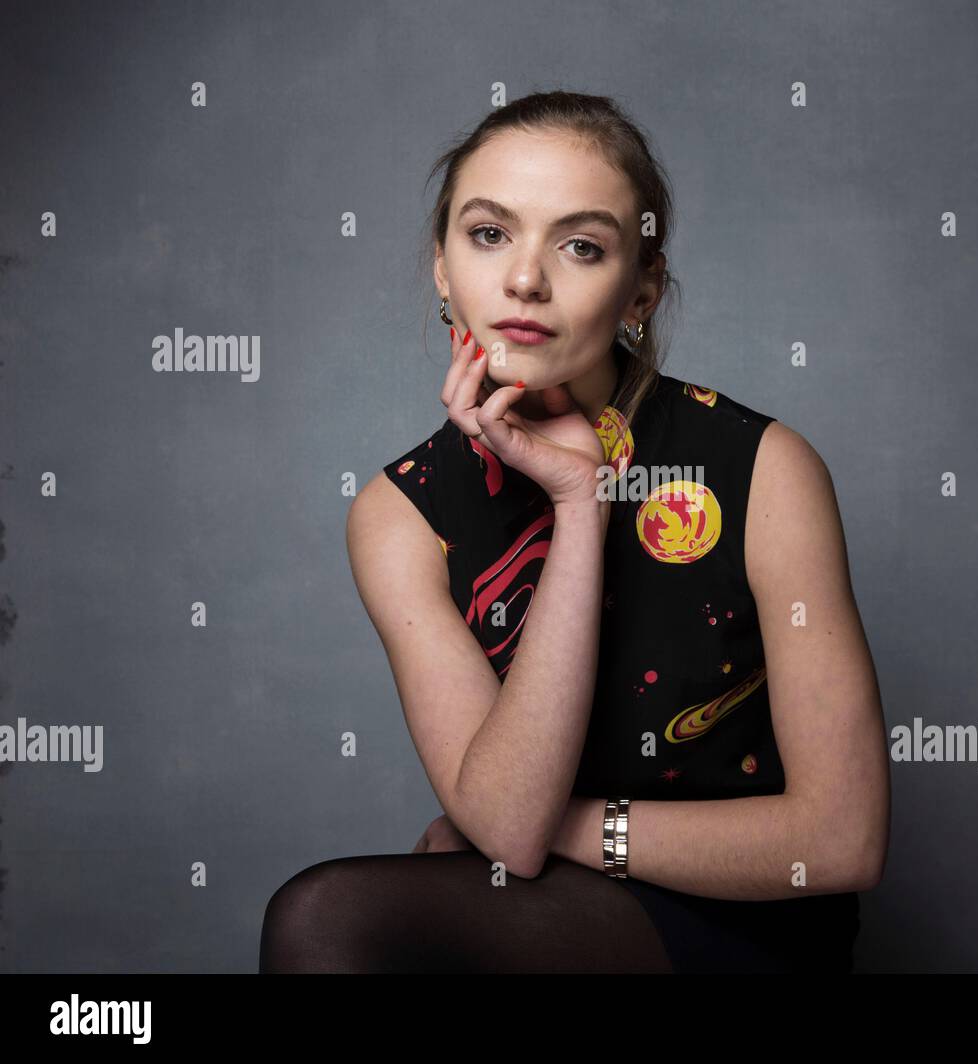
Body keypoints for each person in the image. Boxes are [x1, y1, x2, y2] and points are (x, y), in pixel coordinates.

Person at [259, 91, 890, 974]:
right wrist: (578, 505)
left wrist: (554, 829)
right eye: (488, 234)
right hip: (543, 902)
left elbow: (841, 840)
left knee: (336, 915)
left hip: (744, 925)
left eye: (581, 246)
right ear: (441, 267)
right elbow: (509, 836)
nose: (524, 279)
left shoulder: (762, 466)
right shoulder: (399, 513)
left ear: (641, 290)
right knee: (338, 917)